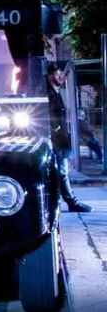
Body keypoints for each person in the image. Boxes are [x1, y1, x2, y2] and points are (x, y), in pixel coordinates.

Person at [46, 62, 92, 213]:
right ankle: (71, 201)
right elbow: (51, 117)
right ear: (50, 75)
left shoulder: (55, 92)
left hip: (60, 139)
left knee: (61, 171)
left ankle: (63, 201)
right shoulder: (49, 93)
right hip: (57, 140)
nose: (61, 77)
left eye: (62, 74)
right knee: (62, 171)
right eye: (58, 74)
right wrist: (57, 131)